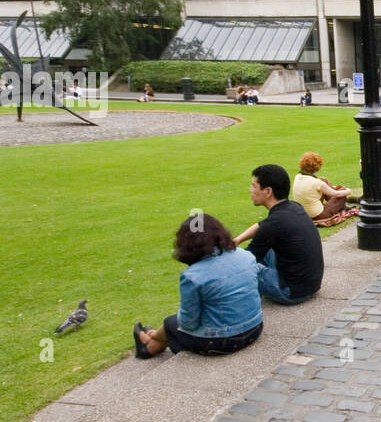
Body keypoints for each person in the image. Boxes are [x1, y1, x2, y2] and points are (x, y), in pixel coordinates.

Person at [133, 214, 263, 359]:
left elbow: (188, 323)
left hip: (223, 341)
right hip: (255, 327)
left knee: (171, 323)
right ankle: (152, 340)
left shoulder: (193, 276)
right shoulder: (246, 256)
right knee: (175, 322)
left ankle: (150, 346)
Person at [235, 164, 324, 304]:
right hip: (311, 284)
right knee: (268, 248)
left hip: (290, 291)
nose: (250, 190)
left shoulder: (273, 224)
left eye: (253, 186)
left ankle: (243, 303)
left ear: (268, 191)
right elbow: (261, 225)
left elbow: (245, 262)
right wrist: (237, 240)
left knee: (241, 266)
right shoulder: (293, 207)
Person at [291, 152, 360, 226]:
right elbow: (337, 194)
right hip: (319, 215)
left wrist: (332, 188)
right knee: (342, 191)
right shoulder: (316, 182)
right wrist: (348, 190)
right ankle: (340, 207)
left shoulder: (297, 177)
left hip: (305, 214)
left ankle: (339, 205)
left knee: (323, 179)